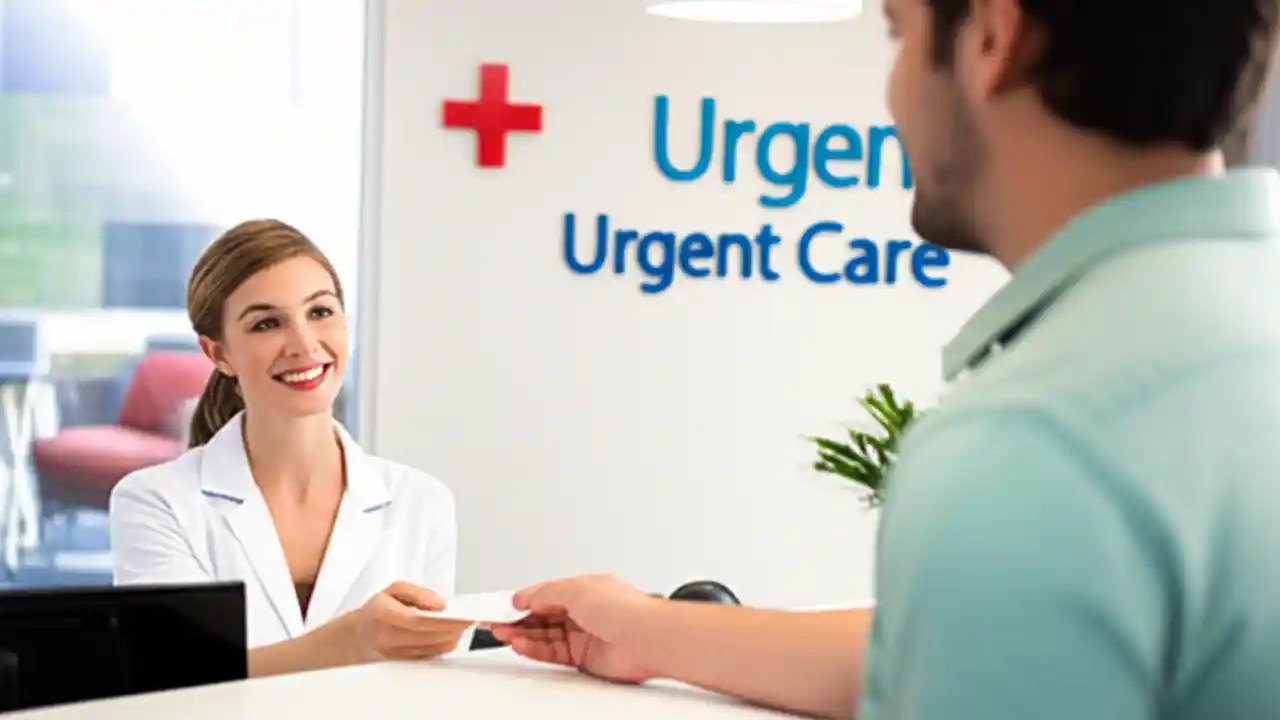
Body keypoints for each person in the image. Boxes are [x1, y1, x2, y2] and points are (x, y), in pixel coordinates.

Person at [491, 0, 1280, 717]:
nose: (891, 92)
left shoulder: (1037, 442)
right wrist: (649, 631)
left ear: (992, 37)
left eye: (898, 34)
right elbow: (988, 638)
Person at [109, 219, 470, 677]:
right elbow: (174, 679)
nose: (304, 344)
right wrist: (354, 639)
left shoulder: (422, 501)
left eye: (320, 312)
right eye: (266, 324)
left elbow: (431, 681)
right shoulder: (155, 501)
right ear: (219, 355)